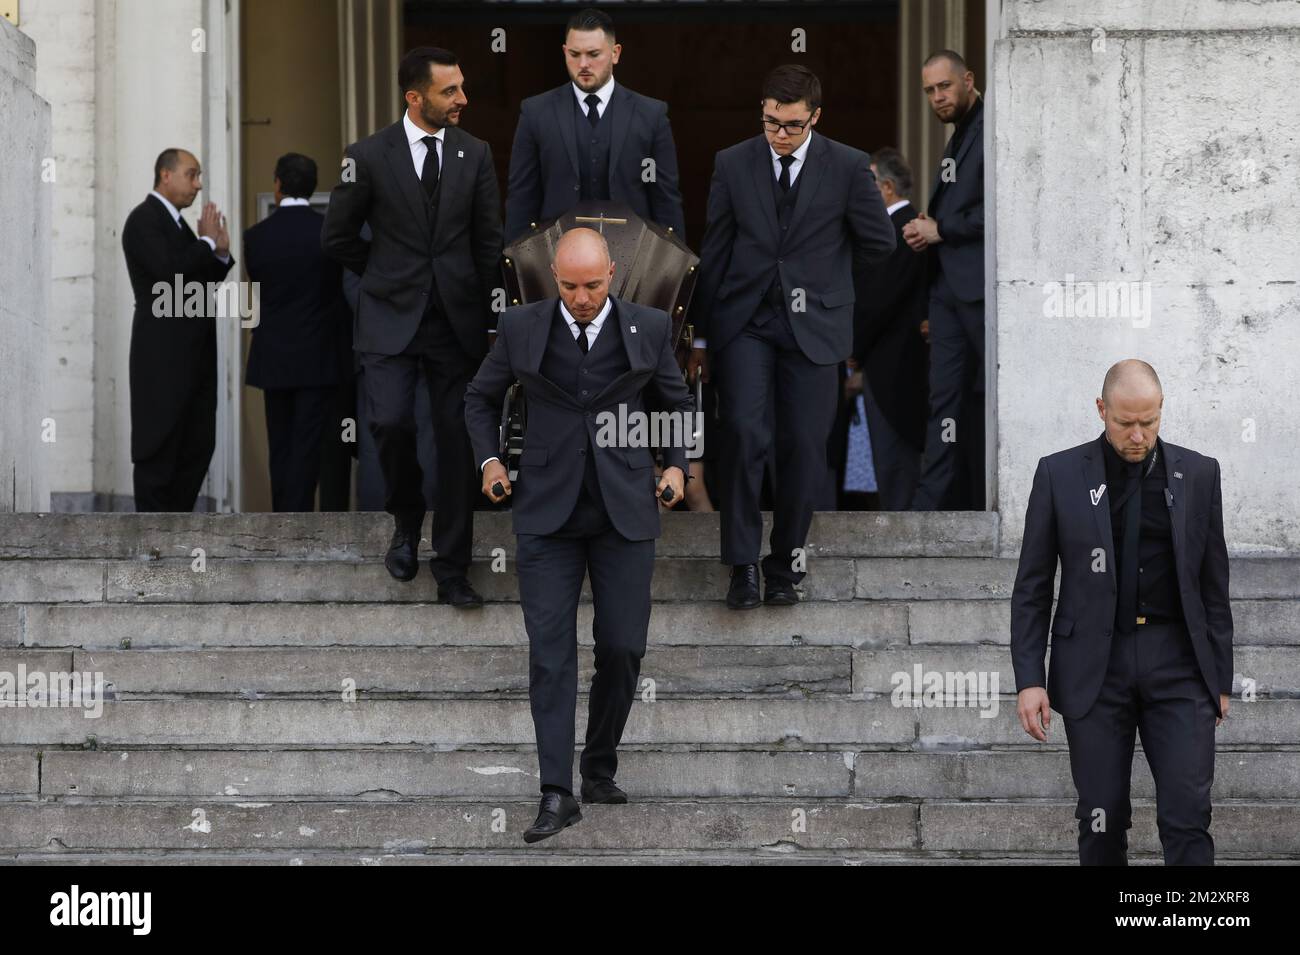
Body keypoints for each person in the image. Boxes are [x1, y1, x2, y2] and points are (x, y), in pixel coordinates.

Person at [464, 228, 693, 844]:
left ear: (612, 273)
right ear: (555, 278)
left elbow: (676, 402)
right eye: (569, 285)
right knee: (551, 655)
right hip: (546, 513)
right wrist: (489, 462)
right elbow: (479, 398)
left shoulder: (647, 326)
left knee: (622, 648)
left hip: (625, 511)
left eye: (593, 285)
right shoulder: (521, 327)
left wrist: (675, 464)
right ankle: (555, 791)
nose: (582, 297)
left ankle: (598, 765)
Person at [1011, 359, 1233, 865]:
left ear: (1161, 412)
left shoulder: (1199, 473)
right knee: (1101, 816)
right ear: (1101, 410)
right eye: (1125, 422)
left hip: (1178, 663)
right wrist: (1030, 677)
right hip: (1094, 663)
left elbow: (1213, 586)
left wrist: (1220, 677)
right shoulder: (1058, 473)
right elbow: (1032, 586)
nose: (1138, 435)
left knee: (1188, 814)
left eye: (1149, 422)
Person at [690, 64, 895, 609]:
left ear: (816, 117)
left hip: (814, 329)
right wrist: (703, 338)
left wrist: (830, 282)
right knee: (742, 437)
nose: (780, 135)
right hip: (745, 324)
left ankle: (784, 566)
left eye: (793, 126)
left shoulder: (849, 166)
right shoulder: (732, 163)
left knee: (803, 448)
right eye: (771, 123)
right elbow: (715, 252)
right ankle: (742, 567)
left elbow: (879, 244)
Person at [323, 47, 502, 606]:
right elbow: (338, 237)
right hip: (389, 320)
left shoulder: (476, 154)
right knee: (389, 424)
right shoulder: (367, 155)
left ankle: (453, 568)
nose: (462, 99)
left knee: (456, 444)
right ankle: (405, 520)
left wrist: (492, 319)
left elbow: (487, 242)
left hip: (456, 322)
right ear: (415, 96)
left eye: (462, 88)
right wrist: (384, 276)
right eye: (450, 91)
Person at [503, 6, 685, 243]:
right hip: (556, 256)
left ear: (615, 53)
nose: (583, 64)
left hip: (632, 255)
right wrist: (516, 268)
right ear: (564, 52)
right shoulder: (535, 112)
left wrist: (673, 269)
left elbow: (665, 200)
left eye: (593, 54)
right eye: (575, 54)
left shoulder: (652, 114)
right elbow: (522, 198)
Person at [122, 148, 235, 512]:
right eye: (192, 175)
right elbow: (168, 276)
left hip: (194, 361)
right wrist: (204, 243)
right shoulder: (143, 220)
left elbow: (197, 283)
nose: (198, 185)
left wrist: (218, 253)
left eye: (199, 176)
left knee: (196, 445)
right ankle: (153, 544)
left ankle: (178, 534)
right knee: (160, 446)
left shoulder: (179, 225)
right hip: (161, 359)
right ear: (165, 175)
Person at [244, 153, 350, 511]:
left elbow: (260, 286)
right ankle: (301, 515)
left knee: (281, 442)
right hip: (318, 355)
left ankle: (281, 516)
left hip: (274, 356)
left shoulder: (255, 237)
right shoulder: (327, 233)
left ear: (277, 185)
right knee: (309, 443)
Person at [905, 49, 986, 511]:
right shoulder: (959, 135)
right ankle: (929, 506)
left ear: (968, 79)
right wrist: (929, 226)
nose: (937, 97)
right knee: (945, 402)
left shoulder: (991, 127)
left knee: (985, 400)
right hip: (949, 293)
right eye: (929, 91)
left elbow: (1000, 208)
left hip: (978, 293)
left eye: (944, 86)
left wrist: (942, 229)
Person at [851, 147, 929, 510]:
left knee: (895, 463)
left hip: (894, 369)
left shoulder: (902, 229)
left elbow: (877, 302)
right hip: (890, 365)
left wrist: (851, 350)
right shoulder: (902, 227)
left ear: (885, 188)